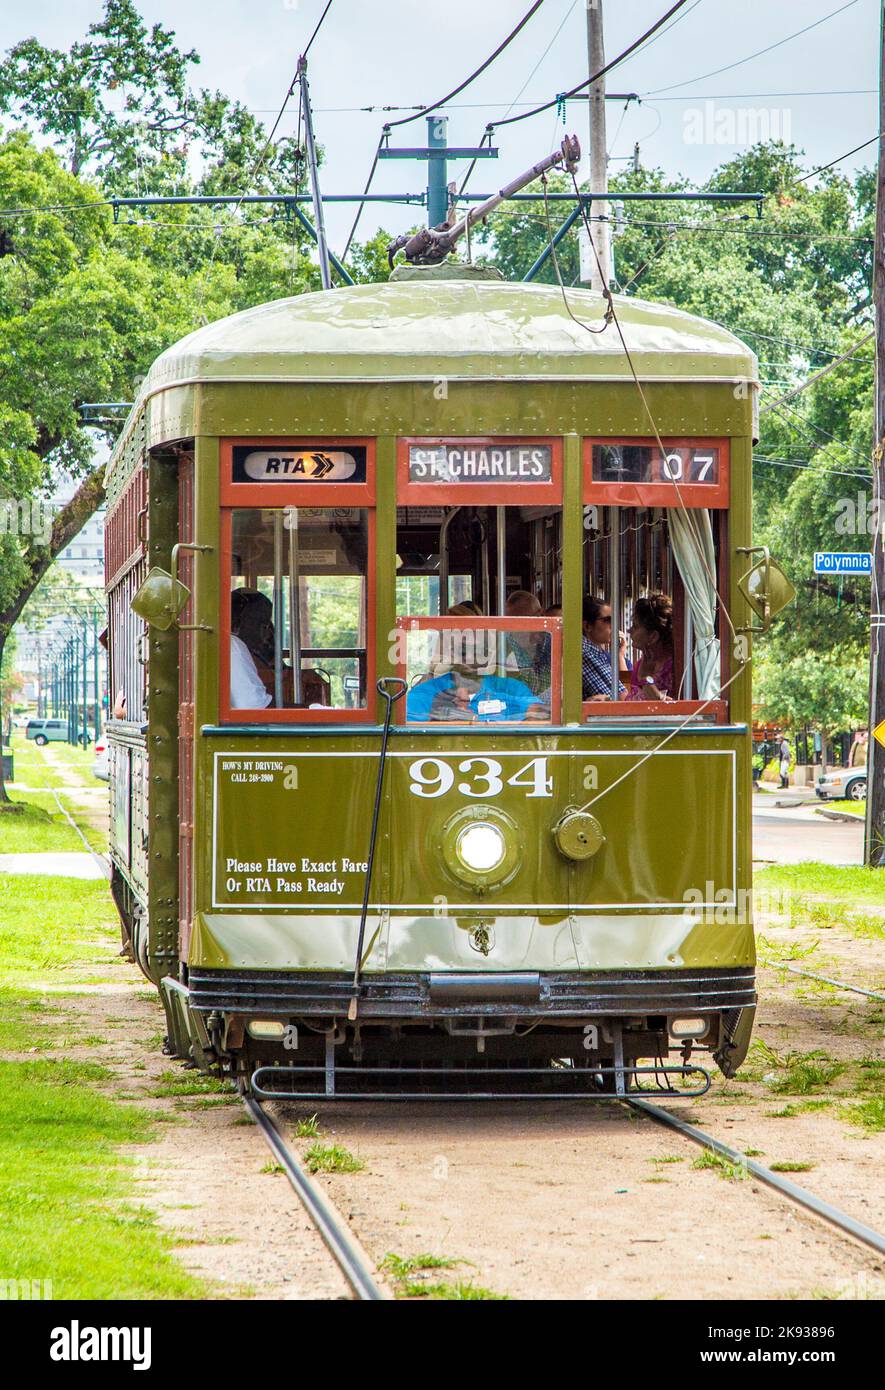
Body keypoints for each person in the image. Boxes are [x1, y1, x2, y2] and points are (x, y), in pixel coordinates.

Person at [406, 662, 547, 723]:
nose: (469, 655)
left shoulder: (510, 688)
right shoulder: (424, 693)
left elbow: (541, 715)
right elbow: (410, 734)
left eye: (477, 648)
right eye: (462, 649)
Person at [625, 594, 674, 701]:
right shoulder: (639, 664)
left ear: (653, 637)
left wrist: (647, 682)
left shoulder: (673, 668)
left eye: (635, 626)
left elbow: (675, 707)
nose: (629, 630)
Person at [230, 589, 272, 710]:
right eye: (262, 623)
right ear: (240, 620)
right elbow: (254, 707)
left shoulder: (251, 651)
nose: (267, 633)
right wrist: (309, 709)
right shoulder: (233, 646)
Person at [582, 595, 628, 700]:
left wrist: (619, 656)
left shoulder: (596, 652)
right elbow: (621, 698)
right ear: (587, 626)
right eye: (607, 620)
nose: (614, 624)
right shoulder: (585, 653)